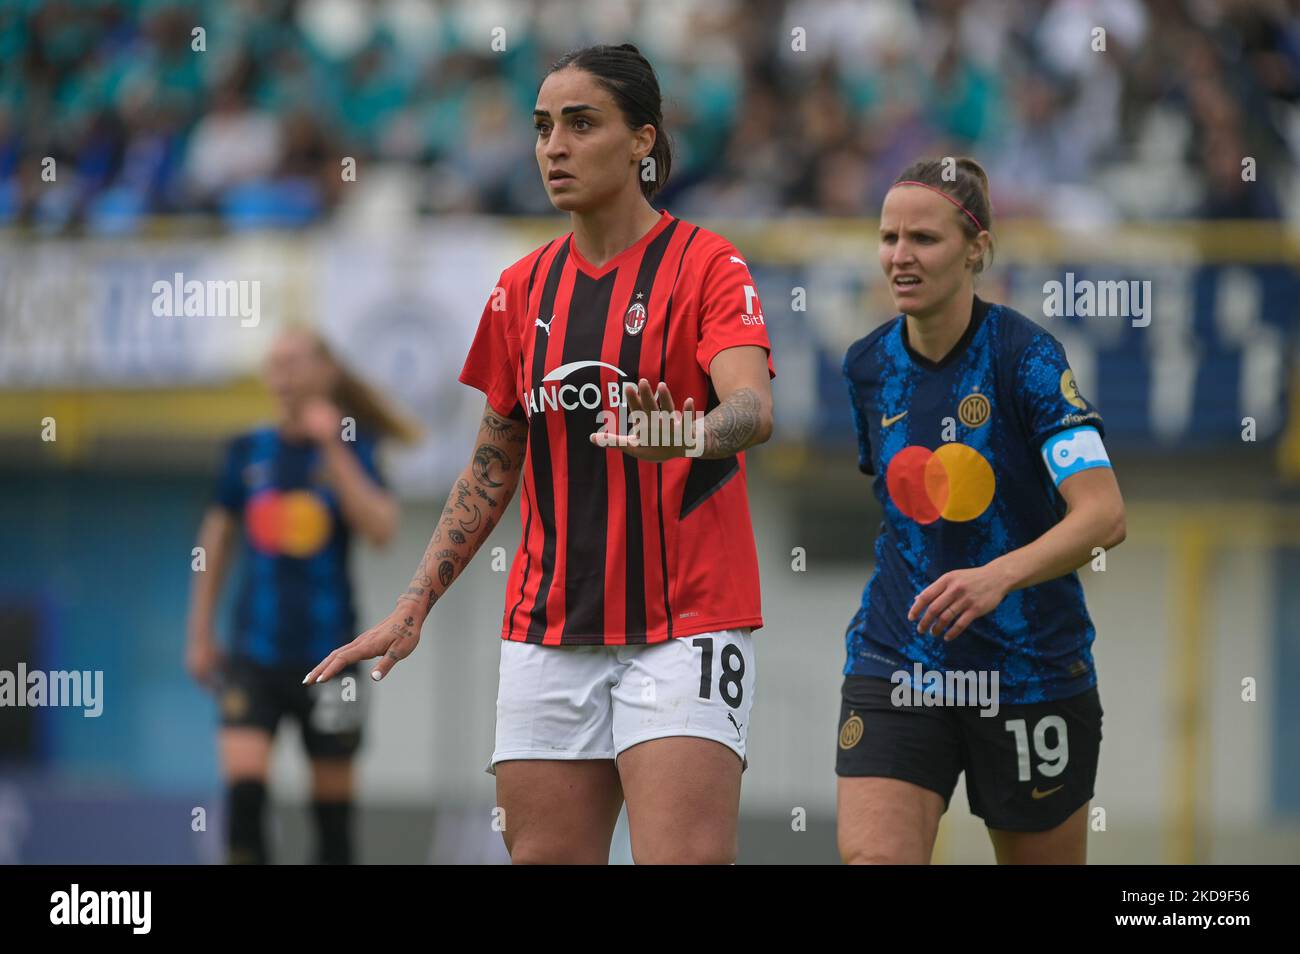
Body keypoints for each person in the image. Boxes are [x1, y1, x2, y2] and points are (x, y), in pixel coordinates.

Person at [304, 43, 776, 865]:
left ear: (643, 141)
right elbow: (492, 467)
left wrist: (694, 434)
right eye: (542, 127)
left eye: (580, 124)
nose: (553, 146)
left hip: (687, 619)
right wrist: (415, 604)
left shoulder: (708, 263)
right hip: (546, 631)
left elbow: (752, 407)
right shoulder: (520, 291)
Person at [836, 157, 1126, 864]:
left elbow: (1103, 515)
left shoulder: (1028, 359)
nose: (900, 256)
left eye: (924, 239)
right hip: (898, 660)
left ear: (977, 249)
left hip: (1031, 671)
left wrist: (994, 577)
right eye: (888, 237)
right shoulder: (866, 366)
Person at [186, 325, 416, 864]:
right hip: (254, 653)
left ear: (324, 371)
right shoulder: (248, 451)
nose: (280, 375)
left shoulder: (355, 449)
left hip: (331, 657)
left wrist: (331, 448)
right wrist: (199, 635)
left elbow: (381, 530)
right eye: (274, 364)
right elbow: (215, 542)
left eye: (292, 362)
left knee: (332, 820)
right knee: (244, 795)